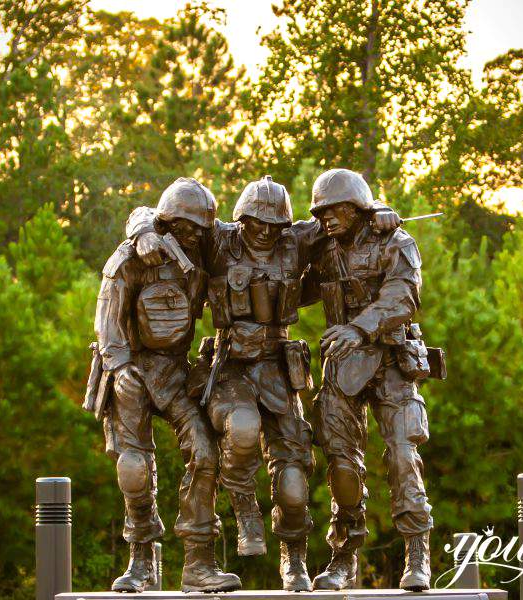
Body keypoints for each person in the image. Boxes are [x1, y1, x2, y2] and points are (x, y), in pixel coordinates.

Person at [132, 175, 401, 591]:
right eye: (256, 222)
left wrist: (380, 208)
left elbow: (348, 214)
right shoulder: (218, 241)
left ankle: (293, 557)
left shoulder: (297, 241)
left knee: (294, 484)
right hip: (230, 368)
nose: (264, 231)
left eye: (274, 226)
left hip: (278, 368)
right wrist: (144, 230)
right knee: (240, 430)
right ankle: (245, 512)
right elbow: (161, 213)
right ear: (241, 219)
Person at [85, 178, 240, 593]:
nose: (190, 235)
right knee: (134, 468)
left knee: (206, 453)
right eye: (181, 226)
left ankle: (199, 564)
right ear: (166, 221)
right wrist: (118, 368)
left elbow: (259, 239)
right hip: (131, 371)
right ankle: (142, 562)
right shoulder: (129, 260)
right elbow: (108, 321)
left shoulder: (203, 253)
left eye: (197, 229)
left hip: (175, 373)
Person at [307, 168, 433, 591]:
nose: (326, 218)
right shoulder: (322, 249)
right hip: (343, 370)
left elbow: (403, 296)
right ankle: (343, 557)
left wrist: (359, 328)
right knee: (341, 467)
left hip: (393, 362)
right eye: (320, 212)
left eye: (335, 209)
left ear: (358, 208)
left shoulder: (397, 242)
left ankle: (417, 552)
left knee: (402, 455)